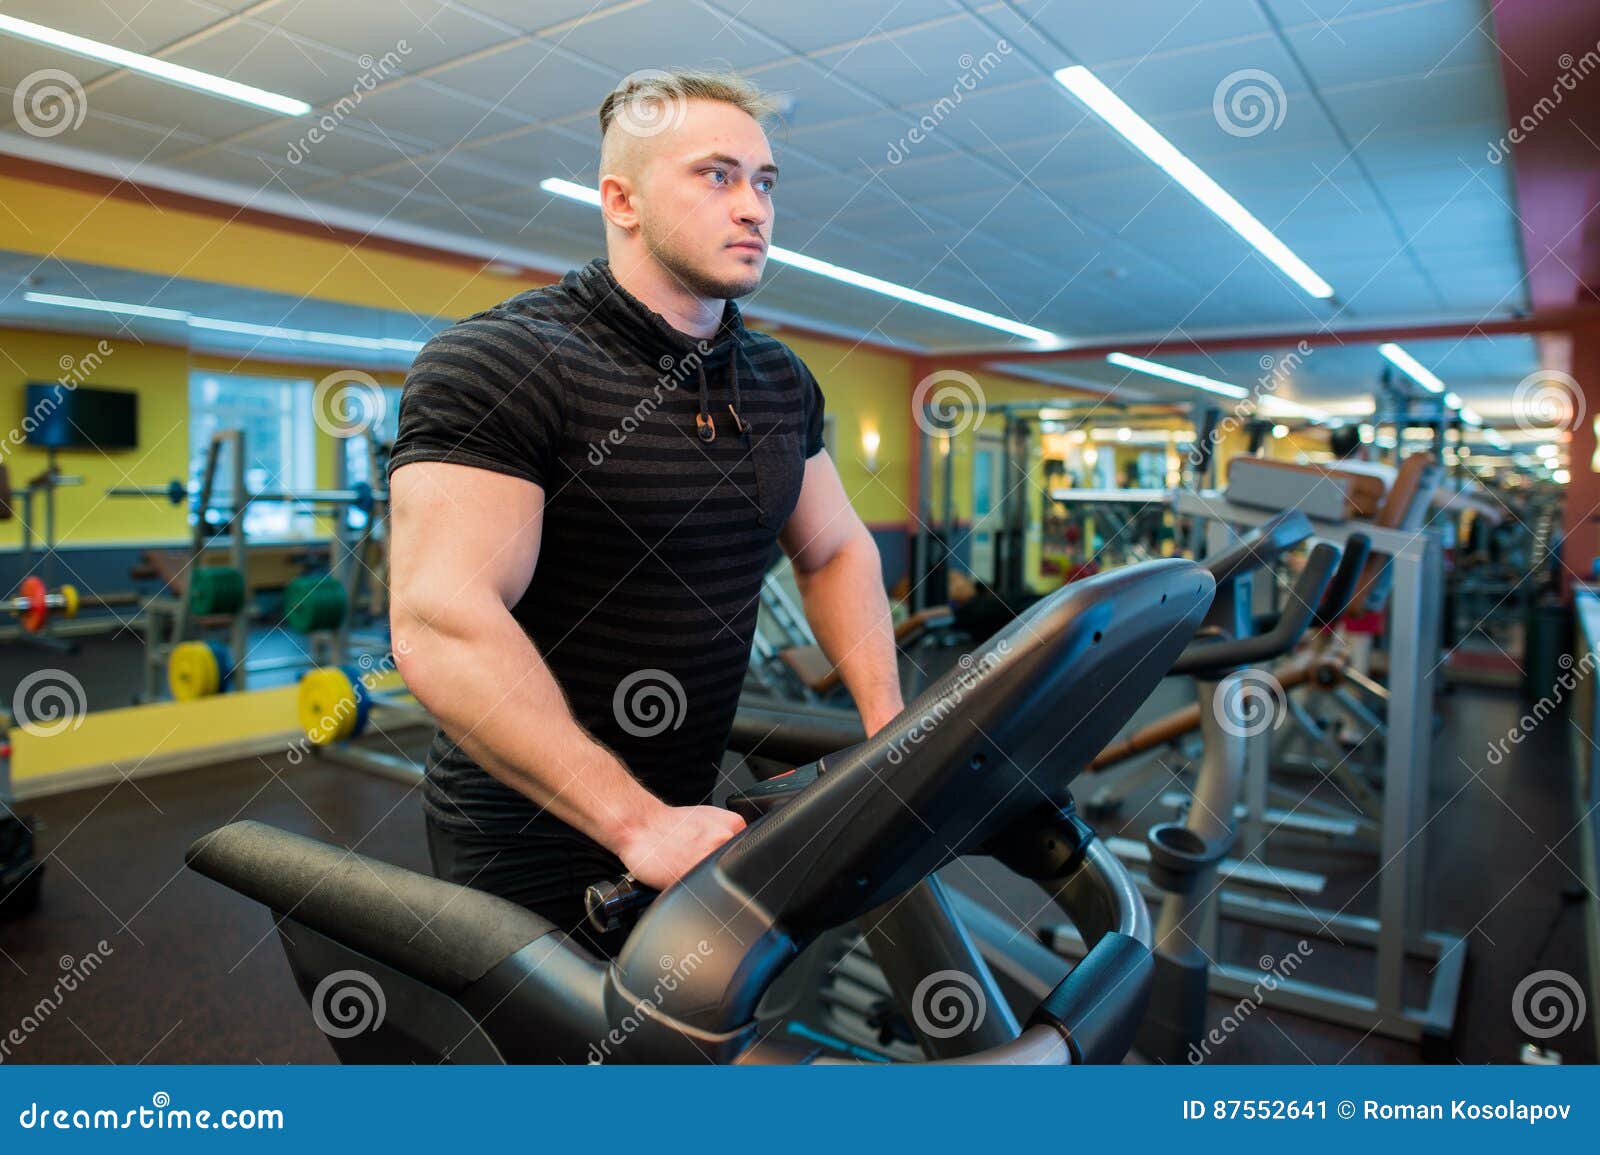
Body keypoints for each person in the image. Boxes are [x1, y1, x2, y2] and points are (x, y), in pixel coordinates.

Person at [386, 70, 904, 956]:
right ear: (620, 200)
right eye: (716, 175)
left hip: (693, 809)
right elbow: (441, 621)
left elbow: (833, 550)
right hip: (529, 836)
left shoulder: (780, 379)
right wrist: (635, 823)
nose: (754, 207)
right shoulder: (501, 361)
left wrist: (893, 730)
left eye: (765, 181)